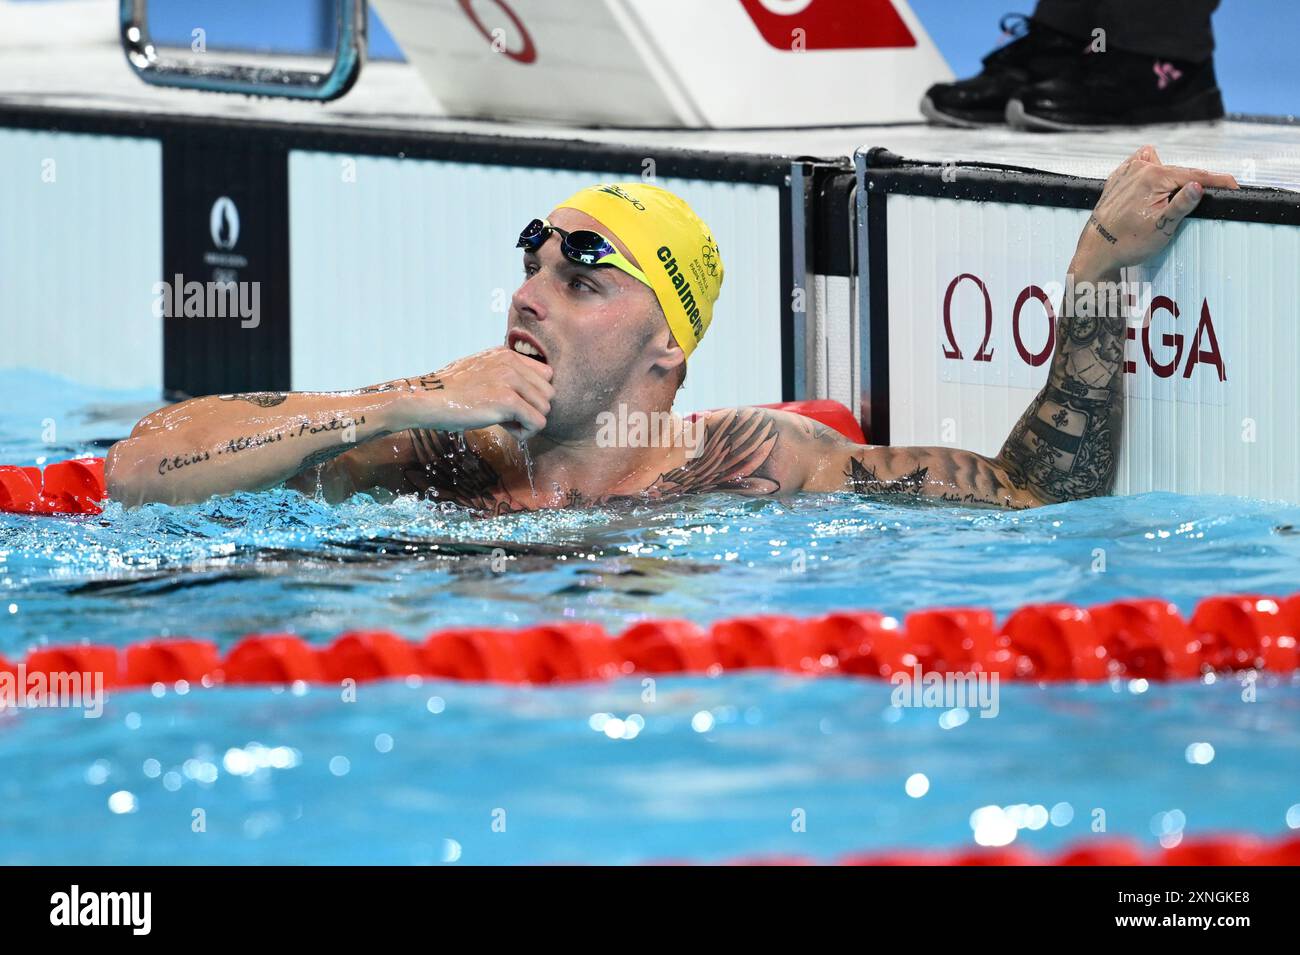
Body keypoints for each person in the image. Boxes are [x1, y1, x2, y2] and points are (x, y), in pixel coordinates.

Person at [105, 150, 1238, 514]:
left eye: (582, 279)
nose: (530, 295)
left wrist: (1094, 276)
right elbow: (136, 468)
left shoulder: (750, 463)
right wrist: (401, 399)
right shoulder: (438, 450)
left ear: (667, 351)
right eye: (532, 263)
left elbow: (1042, 501)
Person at [922, 2, 1224, 129]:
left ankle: (1162, 51)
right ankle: (1068, 39)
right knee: (1072, 22)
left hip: (1160, 52)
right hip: (1086, 35)